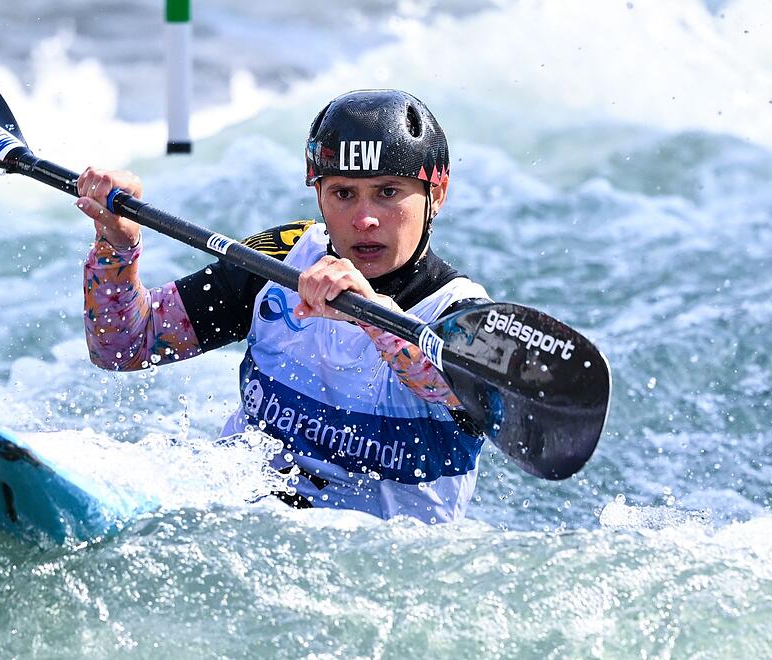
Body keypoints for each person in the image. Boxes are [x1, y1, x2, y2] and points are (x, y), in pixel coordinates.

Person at [75, 90, 491, 524]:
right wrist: (116, 243)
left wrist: (371, 315)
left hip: (375, 558)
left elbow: (471, 392)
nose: (364, 218)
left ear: (437, 194)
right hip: (240, 522)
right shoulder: (283, 257)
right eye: (343, 194)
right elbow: (124, 347)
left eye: (388, 192)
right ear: (318, 195)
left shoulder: (463, 314)